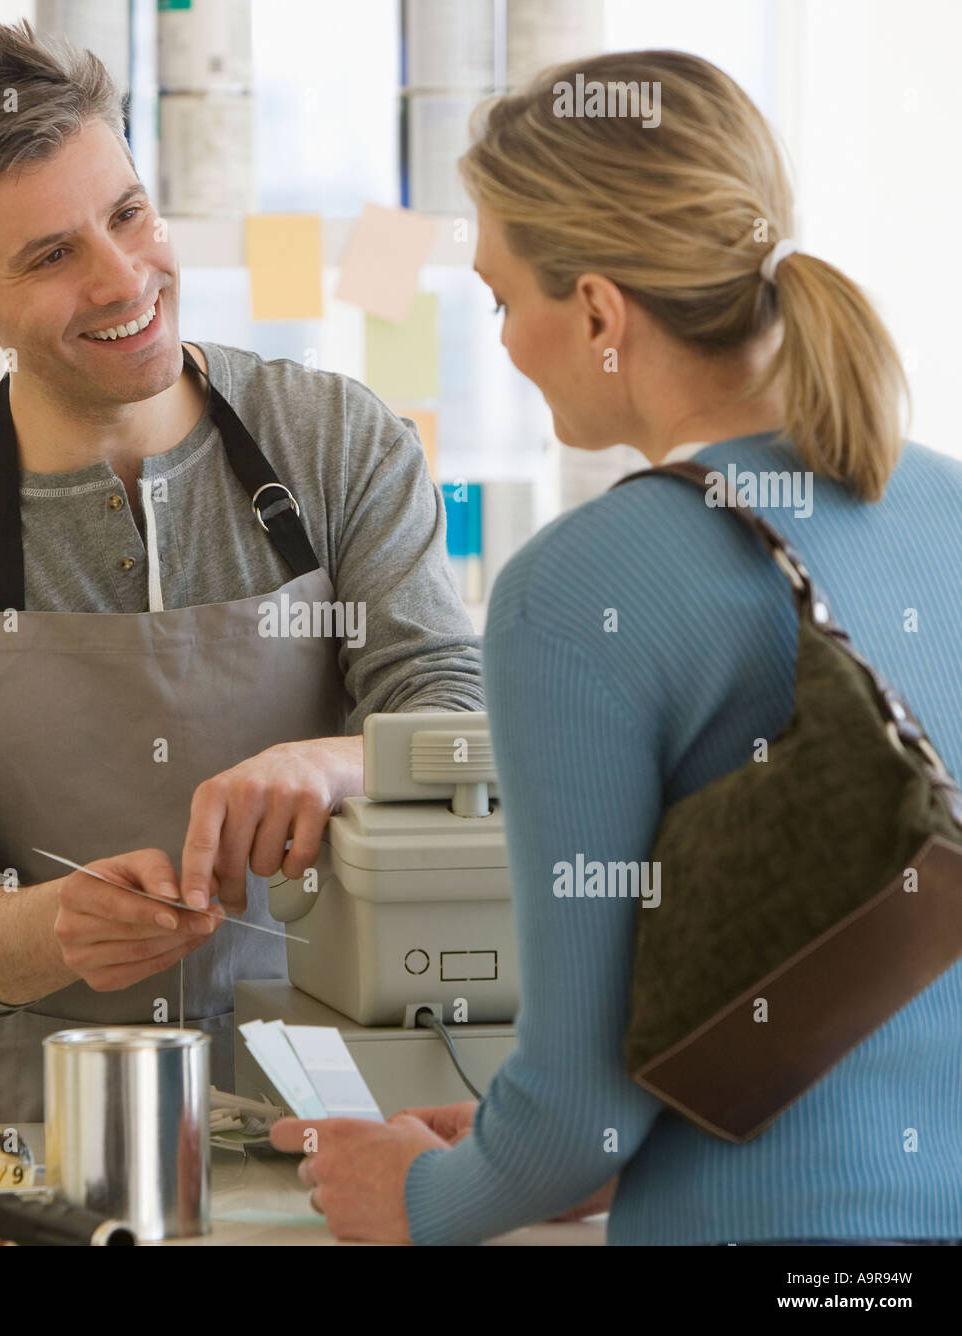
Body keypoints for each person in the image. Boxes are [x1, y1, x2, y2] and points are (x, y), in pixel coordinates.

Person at [272, 49, 962, 1245]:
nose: (501, 341)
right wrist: (535, 1154)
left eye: (502, 301)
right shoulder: (942, 504)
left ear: (596, 312)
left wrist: (418, 1194)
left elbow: (579, 1113)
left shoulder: (572, 588)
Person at [0, 20, 482, 1122]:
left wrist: (334, 762)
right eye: (51, 257)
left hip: (340, 1103)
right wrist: (47, 928)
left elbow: (455, 712)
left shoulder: (338, 442)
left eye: (127, 215)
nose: (125, 280)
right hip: (47, 1133)